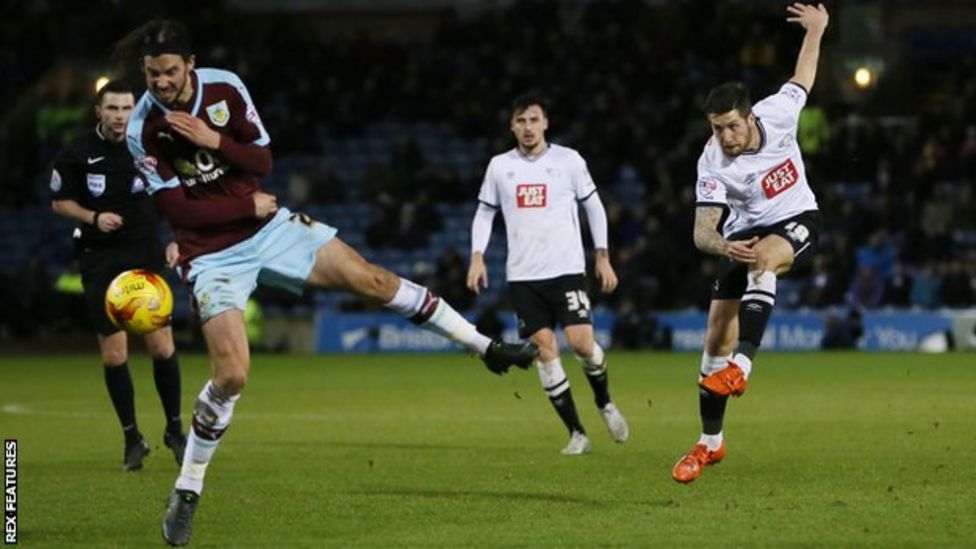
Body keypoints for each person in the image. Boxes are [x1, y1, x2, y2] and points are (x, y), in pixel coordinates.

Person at [116, 20, 538, 546]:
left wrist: (212, 139)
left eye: (171, 72)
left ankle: (486, 347)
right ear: (144, 72)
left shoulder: (223, 88)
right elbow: (178, 210)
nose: (162, 83)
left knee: (376, 280)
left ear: (191, 65)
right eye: (153, 74)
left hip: (269, 230)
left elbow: (262, 159)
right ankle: (188, 488)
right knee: (232, 376)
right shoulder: (141, 129)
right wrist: (244, 202)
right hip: (210, 254)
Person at [671, 3, 829, 483]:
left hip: (797, 217)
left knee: (765, 260)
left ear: (750, 116)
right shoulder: (712, 161)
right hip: (740, 234)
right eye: (717, 128)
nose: (725, 136)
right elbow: (702, 232)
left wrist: (817, 30)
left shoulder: (778, 113)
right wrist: (724, 247)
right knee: (715, 336)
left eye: (732, 126)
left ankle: (743, 366)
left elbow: (802, 75)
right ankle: (709, 445)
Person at [467, 93, 629, 456]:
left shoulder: (568, 160)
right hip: (523, 278)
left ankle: (605, 403)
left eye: (534, 120)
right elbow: (484, 214)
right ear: (512, 126)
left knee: (582, 345)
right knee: (544, 351)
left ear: (546, 123)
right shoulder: (499, 167)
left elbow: (595, 206)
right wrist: (477, 257)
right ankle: (577, 433)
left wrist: (602, 257)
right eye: (521, 121)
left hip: (567, 270)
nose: (528, 128)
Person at [49, 79, 187, 472]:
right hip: (99, 256)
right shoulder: (77, 152)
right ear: (99, 111)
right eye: (113, 109)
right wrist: (92, 217)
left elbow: (175, 195)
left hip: (145, 250)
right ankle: (132, 438)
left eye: (127, 109)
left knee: (162, 347)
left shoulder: (152, 144)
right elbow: (60, 203)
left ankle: (175, 430)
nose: (120, 117)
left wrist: (176, 238)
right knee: (114, 354)